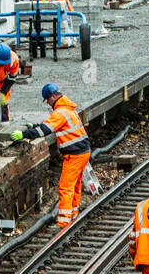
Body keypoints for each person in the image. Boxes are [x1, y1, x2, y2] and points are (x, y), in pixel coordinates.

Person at [10, 83, 92, 227]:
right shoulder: (67, 108)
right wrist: (35, 126)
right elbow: (49, 124)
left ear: (53, 97)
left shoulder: (60, 112)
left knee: (65, 187)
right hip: (83, 152)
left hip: (74, 155)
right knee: (75, 185)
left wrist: (24, 134)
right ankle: (73, 213)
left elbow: (45, 130)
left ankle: (63, 222)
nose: (48, 103)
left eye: (47, 100)